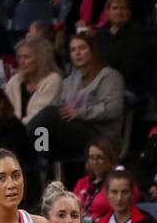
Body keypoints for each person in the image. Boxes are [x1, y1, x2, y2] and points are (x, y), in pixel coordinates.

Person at [29, 33, 125, 162]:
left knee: (49, 113)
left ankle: (22, 140)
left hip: (100, 135)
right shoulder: (70, 80)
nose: (77, 53)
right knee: (43, 136)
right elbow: (62, 108)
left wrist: (80, 113)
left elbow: (114, 108)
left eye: (82, 48)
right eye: (73, 50)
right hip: (74, 134)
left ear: (93, 51)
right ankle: (46, 163)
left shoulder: (110, 76)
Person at [91, 0, 156, 108]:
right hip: (102, 85)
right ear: (108, 11)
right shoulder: (100, 35)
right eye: (115, 8)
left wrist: (108, 82)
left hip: (130, 88)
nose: (119, 12)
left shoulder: (138, 34)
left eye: (123, 8)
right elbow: (95, 62)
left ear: (129, 12)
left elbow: (130, 67)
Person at [5, 37, 62, 127]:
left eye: (27, 57)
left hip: (42, 133)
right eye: (19, 57)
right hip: (15, 132)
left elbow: (39, 116)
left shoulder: (53, 79)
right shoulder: (15, 81)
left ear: (41, 59)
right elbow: (6, 112)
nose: (21, 61)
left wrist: (14, 130)